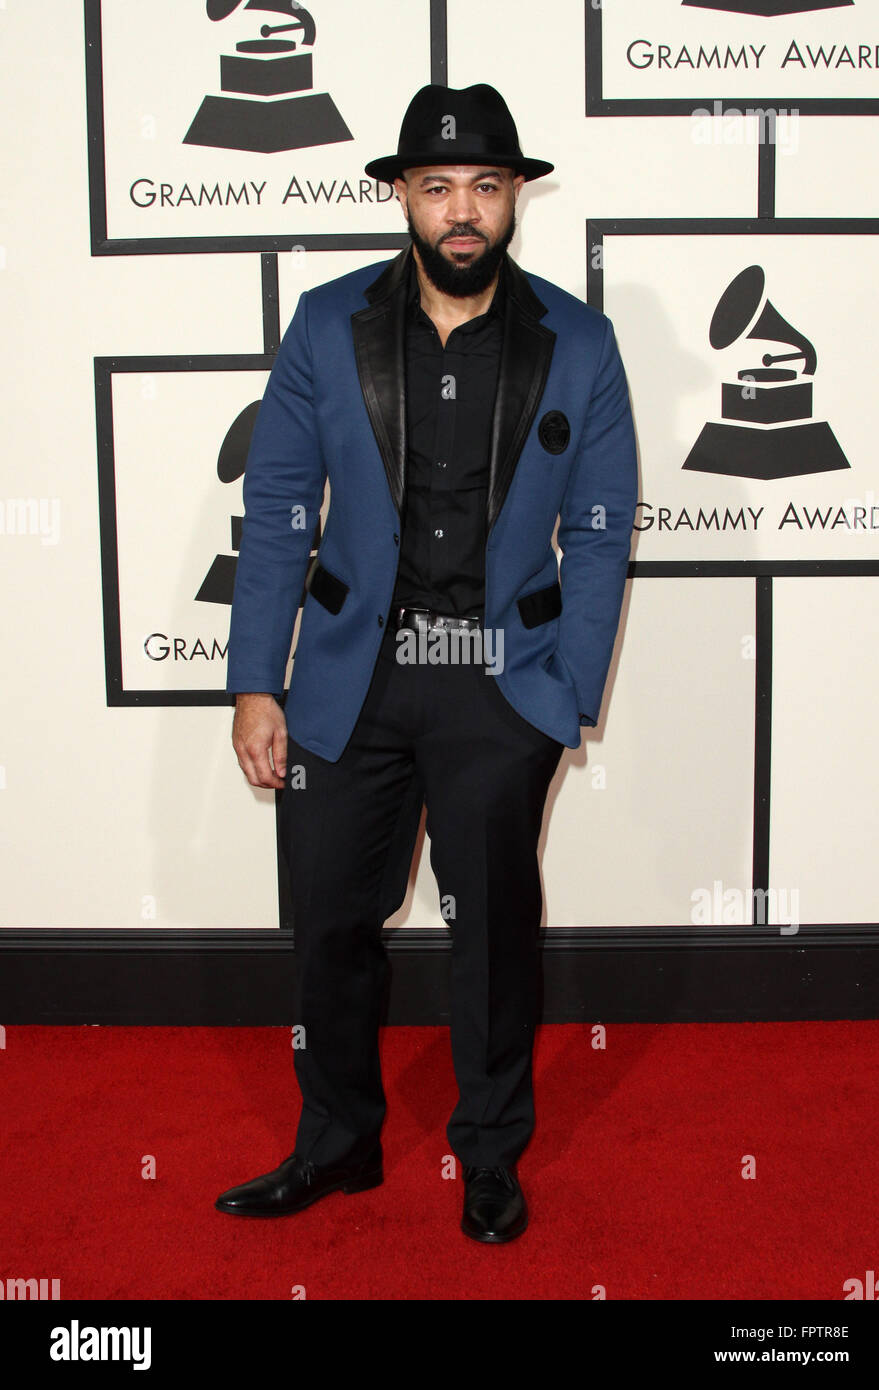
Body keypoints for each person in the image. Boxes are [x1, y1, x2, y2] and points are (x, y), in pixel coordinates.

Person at [215, 83, 638, 1243]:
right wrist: (259, 679)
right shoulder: (325, 324)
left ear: (513, 201)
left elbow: (602, 527)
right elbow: (278, 507)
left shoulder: (578, 342)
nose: (463, 211)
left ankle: (491, 1156)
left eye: (486, 188)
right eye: (439, 186)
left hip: (501, 683)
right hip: (352, 674)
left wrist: (562, 697)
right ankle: (336, 1143)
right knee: (329, 922)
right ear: (401, 193)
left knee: (492, 933)